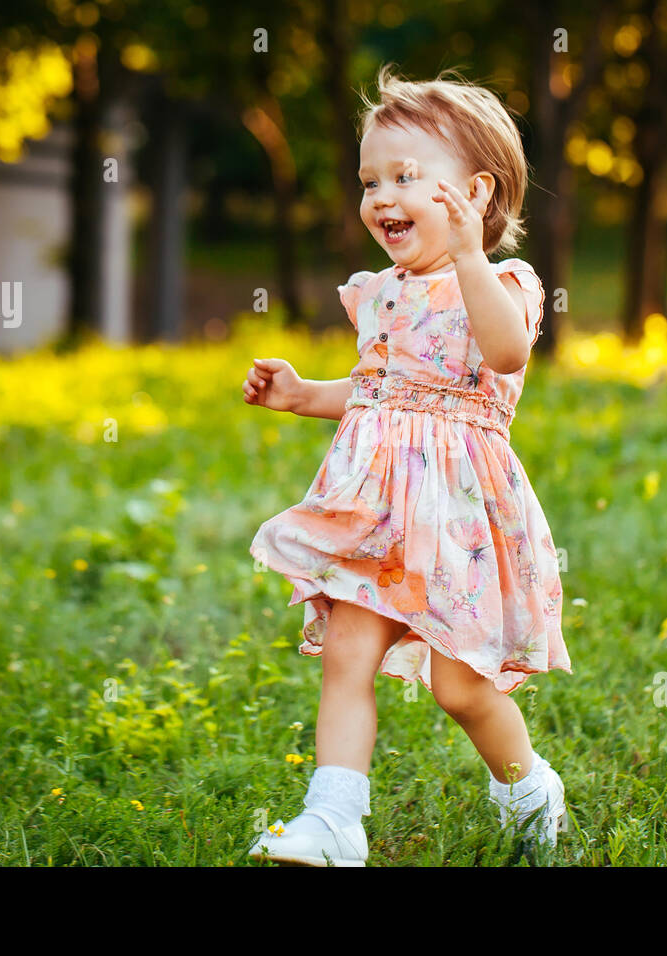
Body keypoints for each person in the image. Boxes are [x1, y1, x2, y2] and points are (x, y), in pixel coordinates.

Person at [241, 64, 571, 866]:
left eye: (406, 178)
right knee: (349, 648)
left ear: (477, 195)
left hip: (460, 517)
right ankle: (333, 820)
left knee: (461, 688)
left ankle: (529, 789)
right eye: (369, 181)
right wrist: (300, 395)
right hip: (378, 513)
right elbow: (375, 390)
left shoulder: (502, 284)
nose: (382, 197)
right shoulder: (381, 292)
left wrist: (465, 257)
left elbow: (505, 352)